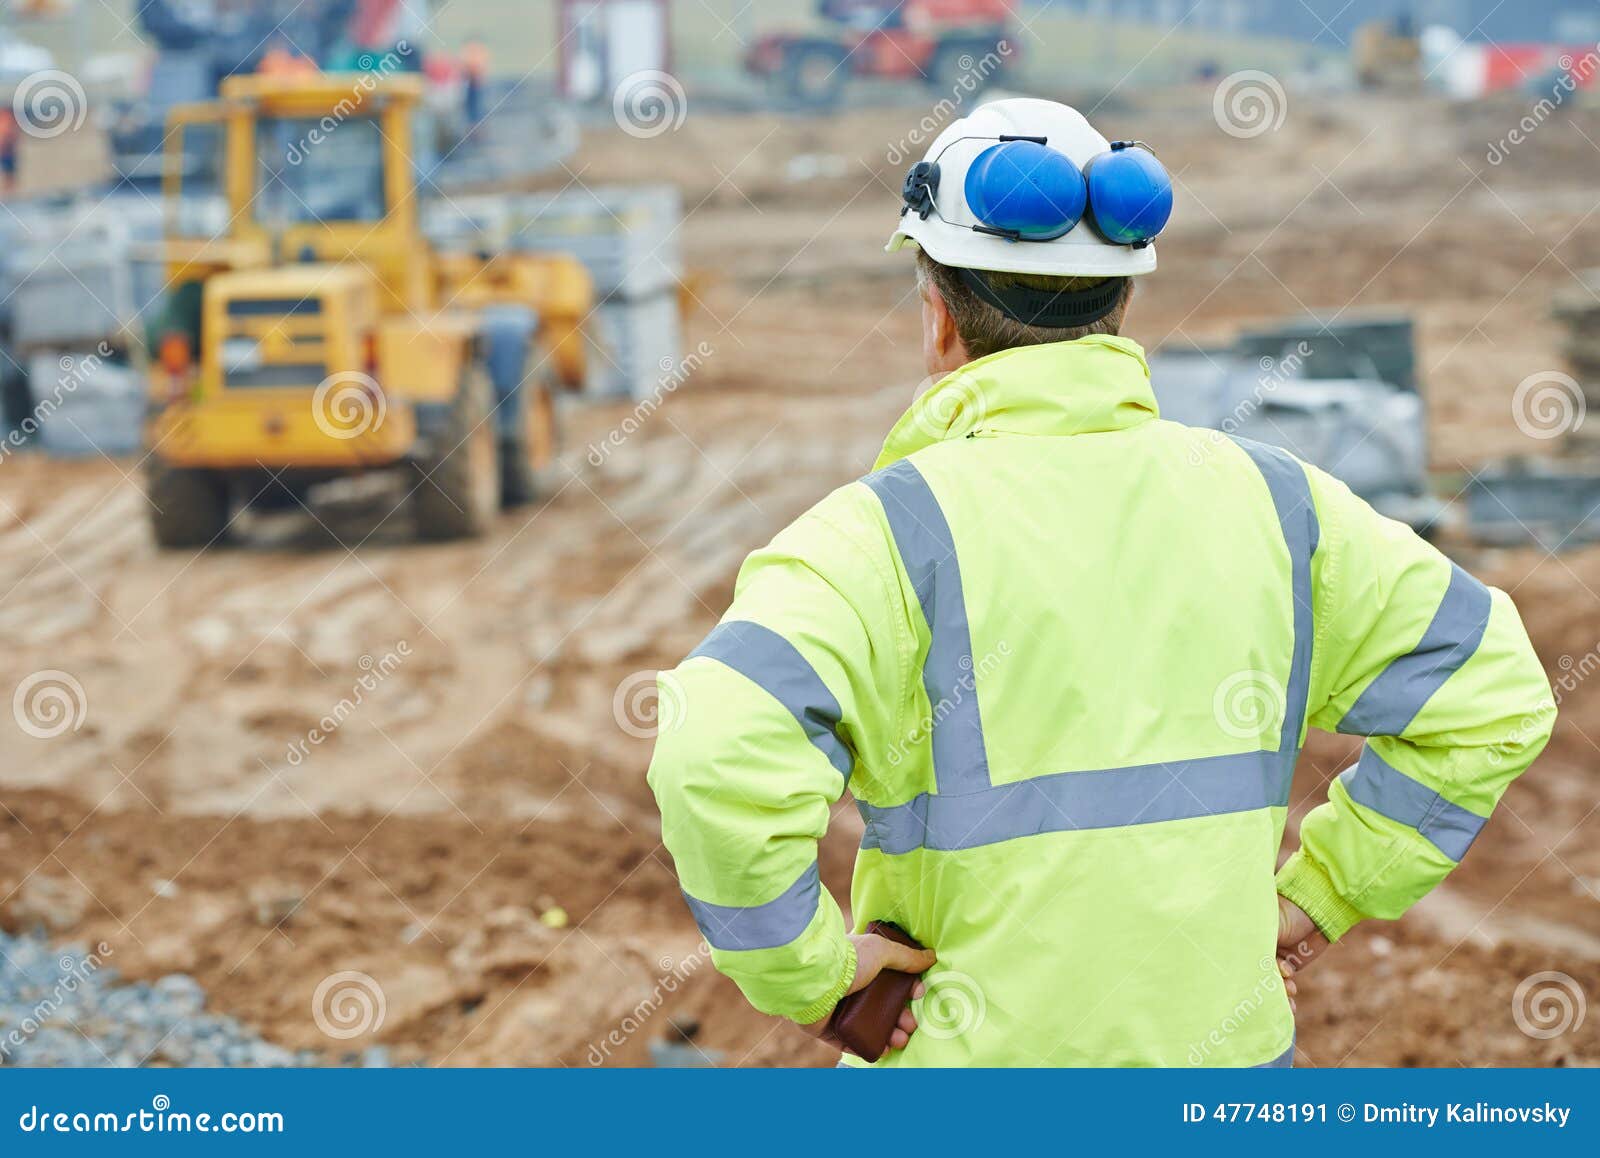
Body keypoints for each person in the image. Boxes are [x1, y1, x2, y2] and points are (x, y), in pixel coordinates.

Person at [646, 98, 1554, 1066]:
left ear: (936, 315)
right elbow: (1487, 695)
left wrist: (807, 977)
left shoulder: (876, 537)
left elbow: (717, 755)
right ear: (1120, 303)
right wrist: (1317, 898)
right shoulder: (1280, 507)